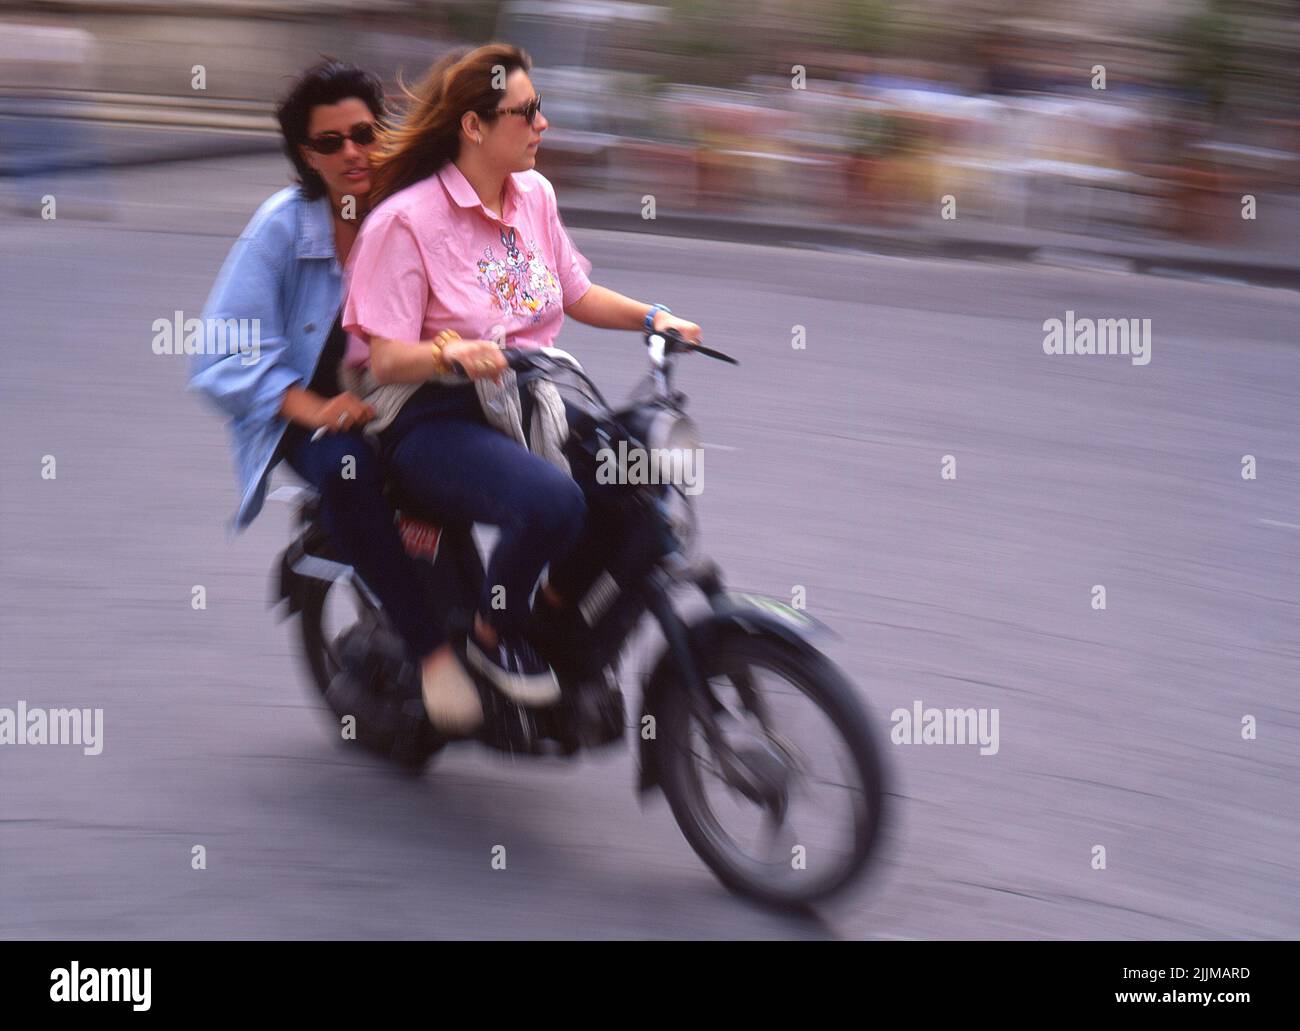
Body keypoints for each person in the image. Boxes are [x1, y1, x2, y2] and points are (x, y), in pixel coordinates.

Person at [341, 43, 701, 735]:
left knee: (638, 488)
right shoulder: (407, 221)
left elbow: (575, 291)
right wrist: (452, 350)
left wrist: (654, 318)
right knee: (550, 502)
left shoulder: (531, 196)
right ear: (474, 126)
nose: (543, 124)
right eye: (527, 111)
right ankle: (489, 634)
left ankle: (556, 626)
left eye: (542, 110)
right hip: (429, 415)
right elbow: (384, 360)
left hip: (521, 397)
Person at [188, 60, 457, 701]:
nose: (352, 153)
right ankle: (431, 652)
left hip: (399, 399)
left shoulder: (407, 208)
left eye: (363, 134)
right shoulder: (281, 227)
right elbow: (216, 357)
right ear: (307, 156)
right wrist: (316, 407)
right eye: (329, 143)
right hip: (306, 419)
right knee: (348, 468)